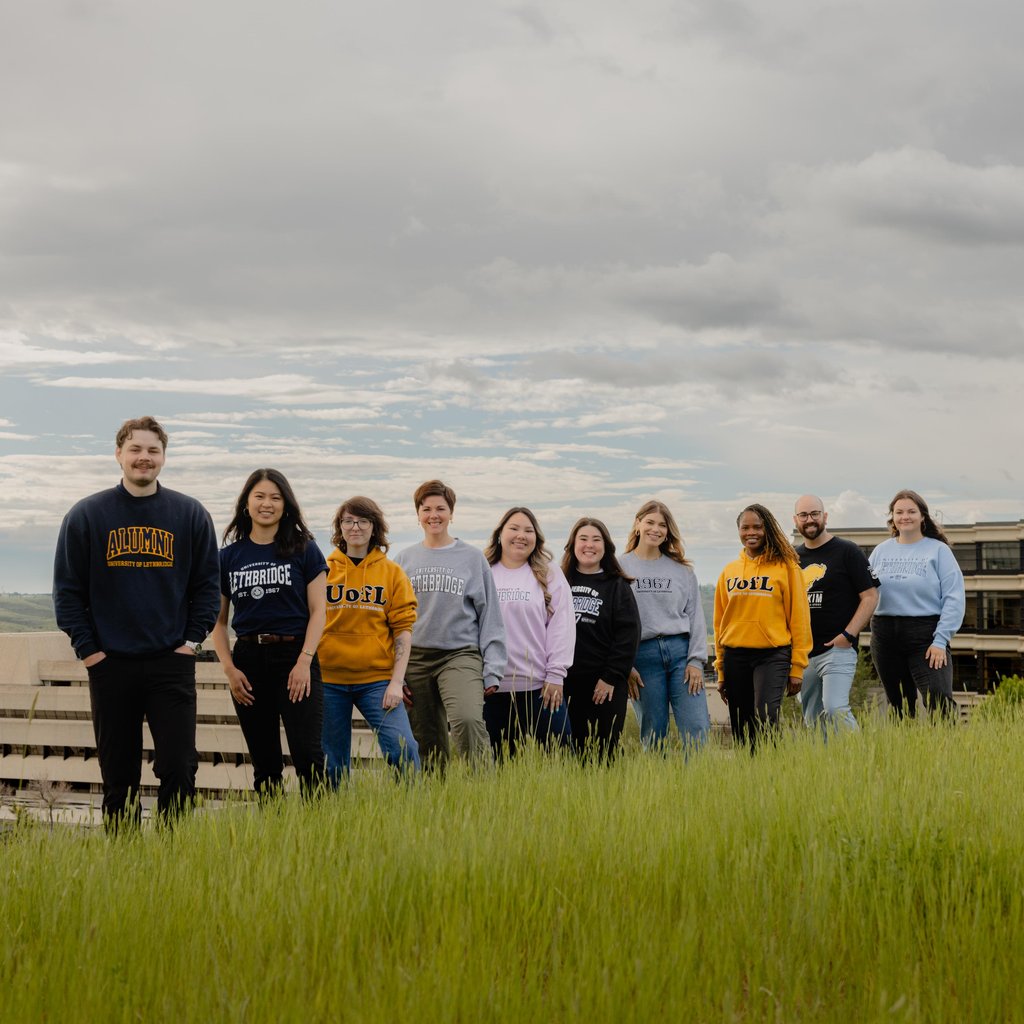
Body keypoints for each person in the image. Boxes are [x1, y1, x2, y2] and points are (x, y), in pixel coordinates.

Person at [53, 416, 220, 827]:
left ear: (163, 457)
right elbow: (68, 593)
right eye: (135, 449)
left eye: (152, 450)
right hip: (110, 665)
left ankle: (173, 858)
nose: (144, 458)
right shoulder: (87, 515)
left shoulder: (190, 514)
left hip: (171, 662)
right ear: (118, 455)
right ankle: (123, 862)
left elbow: (208, 587)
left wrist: (190, 642)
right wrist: (90, 652)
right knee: (119, 776)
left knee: (180, 769)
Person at [210, 469, 327, 796]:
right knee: (265, 764)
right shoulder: (227, 558)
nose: (267, 504)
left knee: (308, 757)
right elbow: (218, 622)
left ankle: (319, 838)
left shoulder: (305, 549)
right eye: (259, 496)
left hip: (294, 657)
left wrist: (305, 660)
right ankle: (275, 836)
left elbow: (319, 611)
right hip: (247, 661)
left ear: (286, 505)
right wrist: (230, 669)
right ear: (246, 504)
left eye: (276, 498)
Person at [394, 480, 506, 768]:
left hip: (459, 654)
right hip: (414, 658)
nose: (434, 515)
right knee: (426, 739)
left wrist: (493, 669)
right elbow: (391, 621)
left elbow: (490, 615)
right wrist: (395, 672)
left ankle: (482, 791)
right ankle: (435, 799)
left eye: (441, 508)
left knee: (467, 720)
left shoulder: (471, 557)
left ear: (451, 513)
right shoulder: (403, 560)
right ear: (417, 514)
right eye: (426, 508)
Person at [318, 496, 420, 781]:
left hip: (376, 681)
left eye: (363, 521)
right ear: (340, 527)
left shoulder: (392, 573)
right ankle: (336, 817)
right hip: (329, 680)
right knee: (332, 762)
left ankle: (413, 810)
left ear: (374, 528)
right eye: (348, 521)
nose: (355, 527)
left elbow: (403, 631)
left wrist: (396, 682)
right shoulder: (323, 570)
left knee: (403, 748)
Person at [714, 503, 812, 751]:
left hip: (772, 654)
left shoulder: (787, 567)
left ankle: (771, 770)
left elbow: (799, 618)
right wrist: (721, 669)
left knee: (766, 715)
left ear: (767, 529)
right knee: (741, 723)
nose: (751, 532)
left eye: (757, 527)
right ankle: (749, 776)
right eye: (745, 527)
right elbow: (719, 624)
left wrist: (798, 666)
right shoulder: (729, 571)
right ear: (738, 531)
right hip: (735, 655)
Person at [619, 500, 711, 751]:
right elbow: (614, 622)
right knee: (653, 733)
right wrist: (626, 665)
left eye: (662, 525)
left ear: (668, 531)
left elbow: (696, 618)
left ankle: (697, 786)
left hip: (681, 654)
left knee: (697, 728)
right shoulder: (619, 568)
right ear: (638, 524)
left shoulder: (682, 571)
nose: (655, 529)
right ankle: (658, 788)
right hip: (642, 658)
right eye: (650, 522)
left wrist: (696, 661)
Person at [483, 507, 575, 757]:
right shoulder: (483, 571)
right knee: (500, 766)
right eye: (514, 528)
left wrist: (556, 675)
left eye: (528, 530)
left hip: (540, 688)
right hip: (492, 688)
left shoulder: (548, 572)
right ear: (500, 534)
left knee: (562, 758)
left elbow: (561, 626)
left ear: (537, 538)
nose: (521, 535)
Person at [868, 489, 965, 718]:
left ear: (923, 516)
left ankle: (944, 751)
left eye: (912, 511)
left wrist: (941, 640)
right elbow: (865, 592)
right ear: (892, 517)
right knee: (899, 703)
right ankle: (904, 750)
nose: (905, 516)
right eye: (899, 512)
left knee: (939, 700)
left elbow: (954, 597)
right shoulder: (881, 551)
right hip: (885, 633)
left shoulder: (938, 550)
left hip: (926, 635)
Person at [793, 494, 880, 735]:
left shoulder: (847, 551)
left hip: (837, 649)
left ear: (825, 517)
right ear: (796, 520)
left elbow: (871, 596)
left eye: (814, 514)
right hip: (803, 653)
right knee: (811, 715)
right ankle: (824, 765)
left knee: (834, 708)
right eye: (803, 515)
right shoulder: (792, 558)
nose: (809, 520)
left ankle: (859, 758)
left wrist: (848, 635)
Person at [560, 517, 641, 761]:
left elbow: (628, 635)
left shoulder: (617, 585)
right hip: (565, 683)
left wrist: (610, 677)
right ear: (573, 544)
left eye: (596, 540)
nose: (589, 545)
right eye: (583, 539)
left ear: (605, 547)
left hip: (603, 685)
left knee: (604, 751)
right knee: (569, 751)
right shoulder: (559, 583)